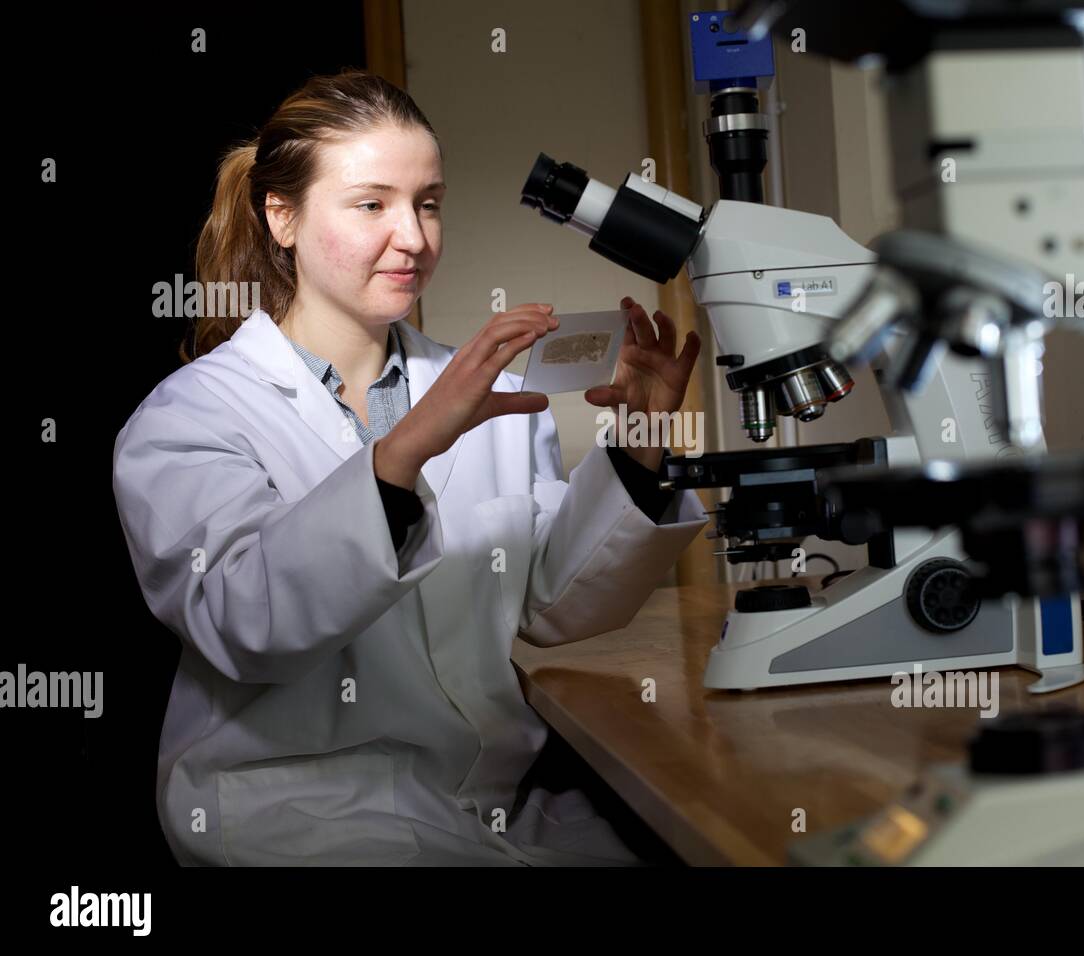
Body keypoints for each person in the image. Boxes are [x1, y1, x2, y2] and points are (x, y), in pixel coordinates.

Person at [111, 69, 707, 866]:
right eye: (372, 204)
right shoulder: (189, 419)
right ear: (280, 216)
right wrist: (401, 454)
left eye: (428, 203)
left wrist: (639, 438)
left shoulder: (483, 394)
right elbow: (247, 625)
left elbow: (553, 607)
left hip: (488, 800)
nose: (414, 237)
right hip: (296, 807)